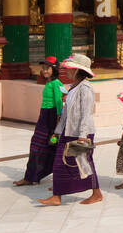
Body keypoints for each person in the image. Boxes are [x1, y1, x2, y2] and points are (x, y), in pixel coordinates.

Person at [39, 53, 103, 206]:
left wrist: (82, 136)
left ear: (77, 71)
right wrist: (57, 131)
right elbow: (66, 112)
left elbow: (86, 113)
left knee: (84, 162)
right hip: (68, 132)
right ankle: (57, 196)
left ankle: (97, 193)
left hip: (81, 133)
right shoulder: (73, 87)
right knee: (60, 164)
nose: (66, 71)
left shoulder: (85, 88)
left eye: (69, 69)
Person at [14, 56, 61, 186]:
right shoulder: (49, 83)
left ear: (54, 69)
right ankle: (32, 176)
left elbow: (59, 105)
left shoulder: (57, 84)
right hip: (44, 116)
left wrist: (57, 126)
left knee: (52, 146)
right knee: (39, 146)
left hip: (51, 118)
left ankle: (55, 176)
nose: (44, 70)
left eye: (47, 68)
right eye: (43, 68)